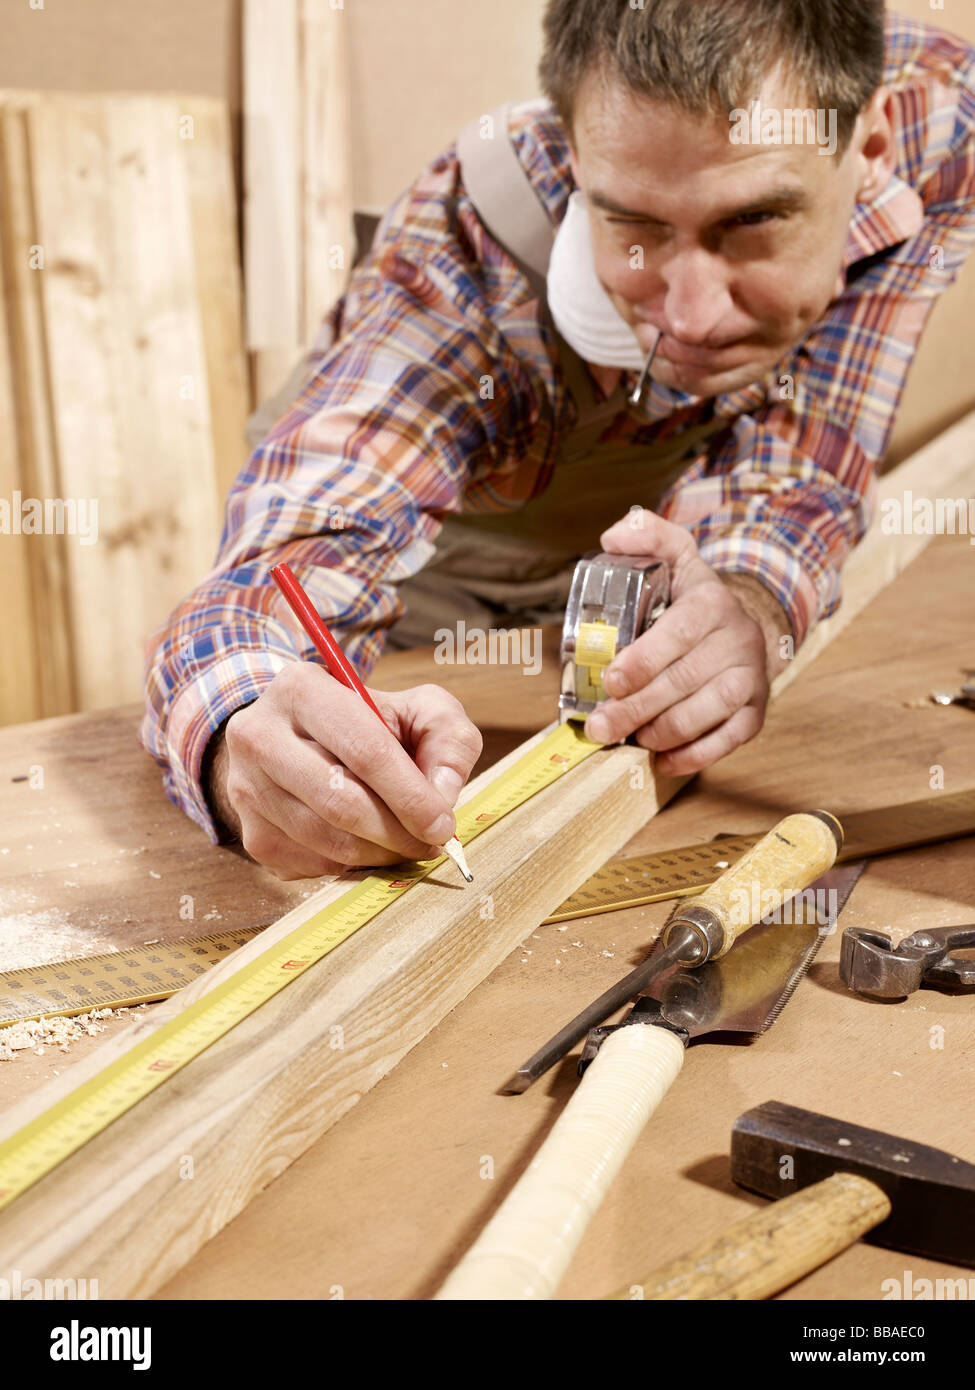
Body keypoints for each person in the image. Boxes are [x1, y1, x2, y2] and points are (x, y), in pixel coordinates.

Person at [142, 0, 975, 880]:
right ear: (577, 160)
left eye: (752, 224)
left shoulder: (938, 121)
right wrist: (242, 733)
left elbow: (803, 432)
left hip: (616, 555)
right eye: (635, 228)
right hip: (435, 582)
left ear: (870, 149)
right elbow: (278, 574)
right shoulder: (460, 269)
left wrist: (748, 598)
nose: (689, 319)